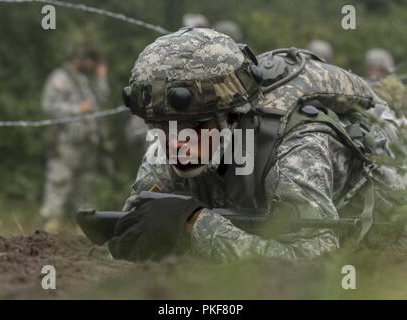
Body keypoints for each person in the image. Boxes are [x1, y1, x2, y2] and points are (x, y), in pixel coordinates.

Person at [108, 28, 406, 262]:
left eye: (194, 128)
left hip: (389, 232)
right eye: (161, 127)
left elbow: (314, 260)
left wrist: (194, 224)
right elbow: (137, 225)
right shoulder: (173, 135)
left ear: (233, 118)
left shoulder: (298, 145)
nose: (175, 142)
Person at [41, 42, 110, 232]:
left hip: (88, 141)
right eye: (89, 60)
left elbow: (102, 98)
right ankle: (52, 222)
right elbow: (49, 106)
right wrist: (75, 110)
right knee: (60, 180)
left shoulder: (88, 80)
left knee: (85, 184)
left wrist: (101, 76)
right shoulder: (60, 78)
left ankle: (84, 224)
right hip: (67, 141)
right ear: (78, 58)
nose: (91, 64)